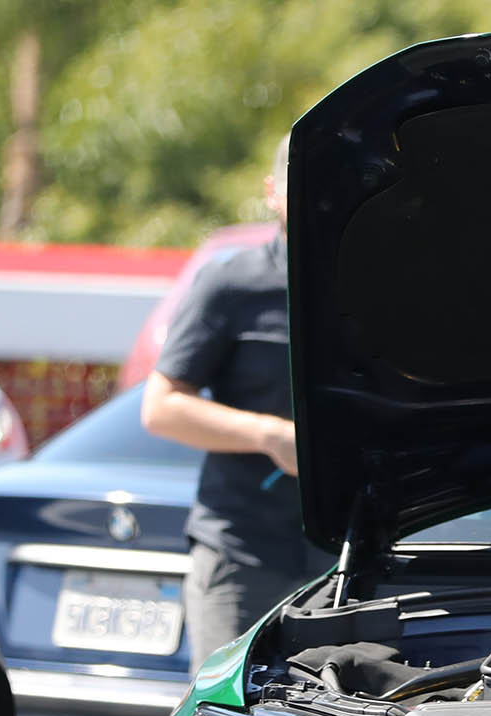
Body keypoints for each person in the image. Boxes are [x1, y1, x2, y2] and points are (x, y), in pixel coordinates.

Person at [142, 133, 328, 670]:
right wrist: (270, 436)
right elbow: (160, 406)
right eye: (301, 183)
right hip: (241, 555)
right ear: (273, 192)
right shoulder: (231, 284)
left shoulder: (367, 288)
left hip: (341, 565)